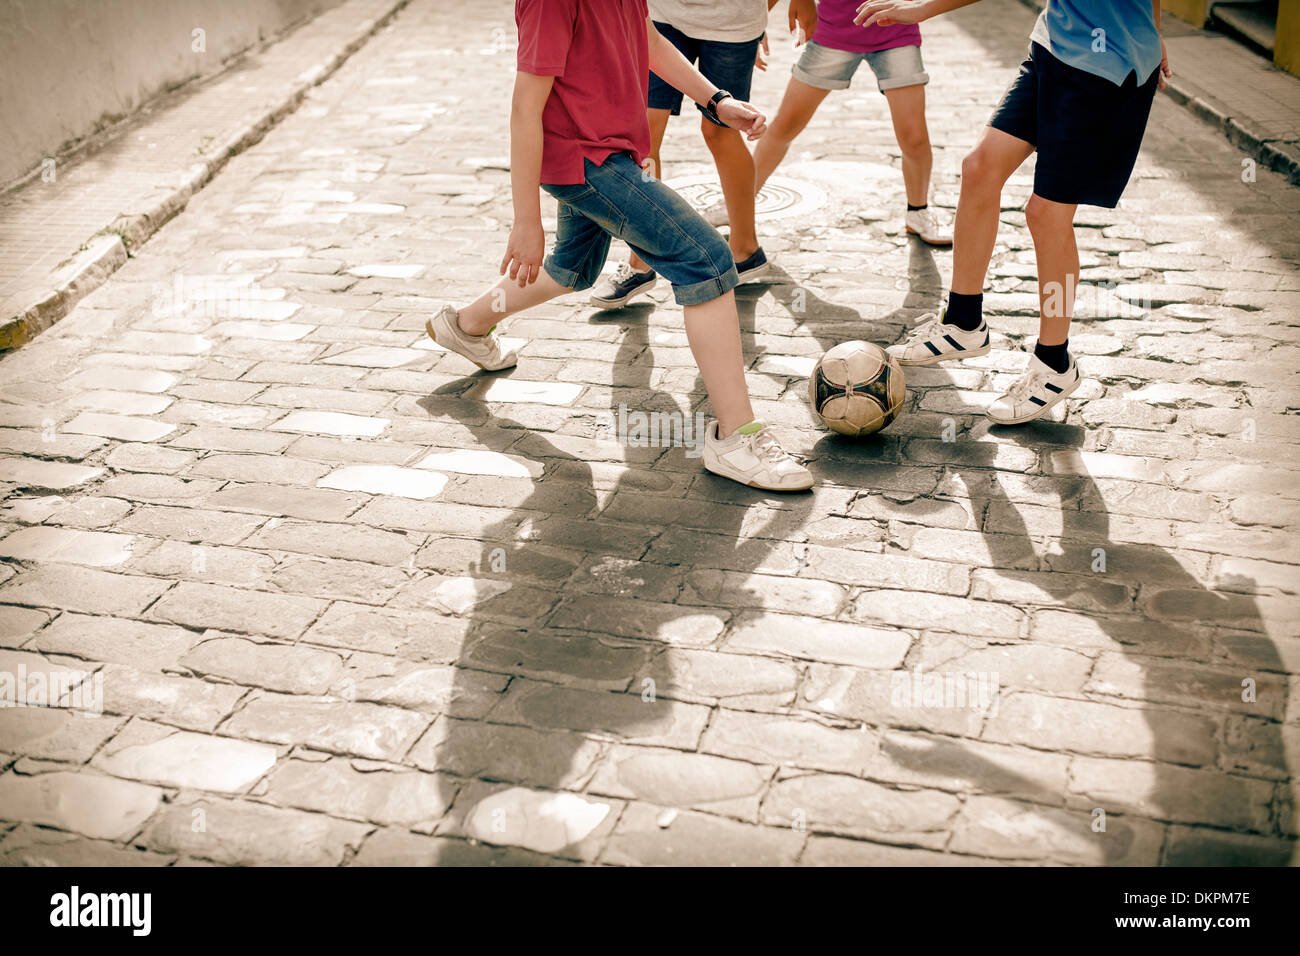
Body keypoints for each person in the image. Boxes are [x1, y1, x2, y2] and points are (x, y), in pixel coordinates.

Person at [427, 0, 813, 492]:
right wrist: (526, 220)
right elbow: (525, 106)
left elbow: (648, 39)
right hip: (585, 161)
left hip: (612, 149)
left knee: (573, 267)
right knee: (706, 260)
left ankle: (465, 326)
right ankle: (735, 437)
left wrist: (716, 101)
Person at [861, 0, 1171, 425]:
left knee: (1047, 214)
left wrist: (923, 9)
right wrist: (1152, 30)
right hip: (1054, 46)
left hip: (1104, 70)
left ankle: (1054, 364)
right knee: (980, 168)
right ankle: (964, 323)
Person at [589, 0, 818, 310]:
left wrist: (771, 9)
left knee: (720, 133)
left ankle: (746, 250)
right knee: (643, 131)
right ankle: (641, 261)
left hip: (733, 23)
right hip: (661, 15)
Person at [753, 0, 952, 246]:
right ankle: (737, 205)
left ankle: (918, 211)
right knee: (785, 125)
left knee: (914, 137)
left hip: (897, 33)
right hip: (832, 34)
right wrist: (756, 26)